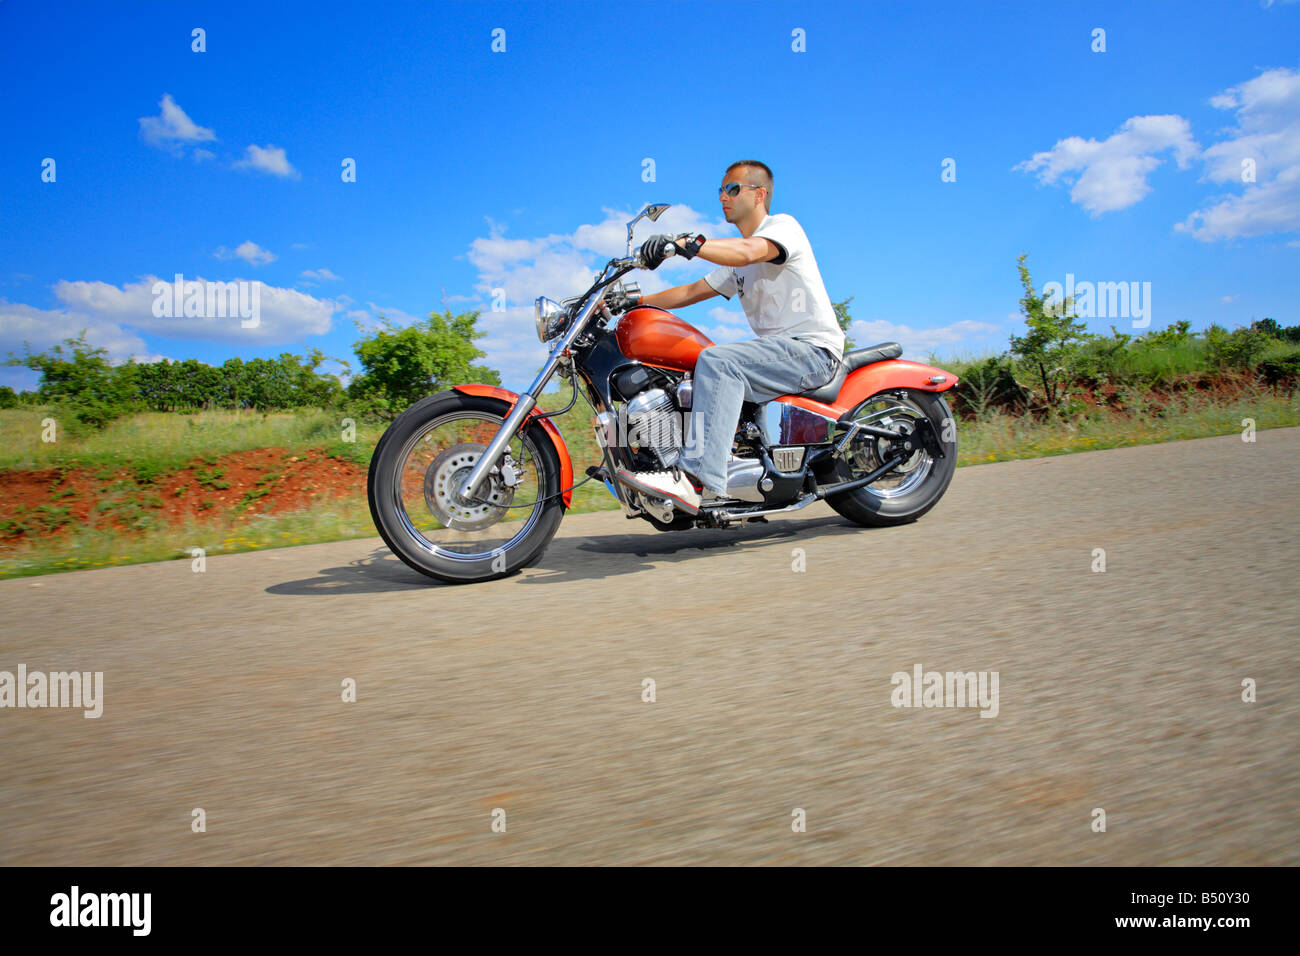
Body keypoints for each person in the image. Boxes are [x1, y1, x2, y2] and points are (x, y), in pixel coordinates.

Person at [615, 160, 845, 515]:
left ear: (759, 194)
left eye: (732, 189)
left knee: (718, 361)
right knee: (694, 367)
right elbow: (692, 291)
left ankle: (699, 479)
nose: (723, 196)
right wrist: (634, 301)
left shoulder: (782, 227)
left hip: (811, 351)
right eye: (720, 190)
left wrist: (685, 244)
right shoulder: (736, 261)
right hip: (778, 354)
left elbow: (751, 251)